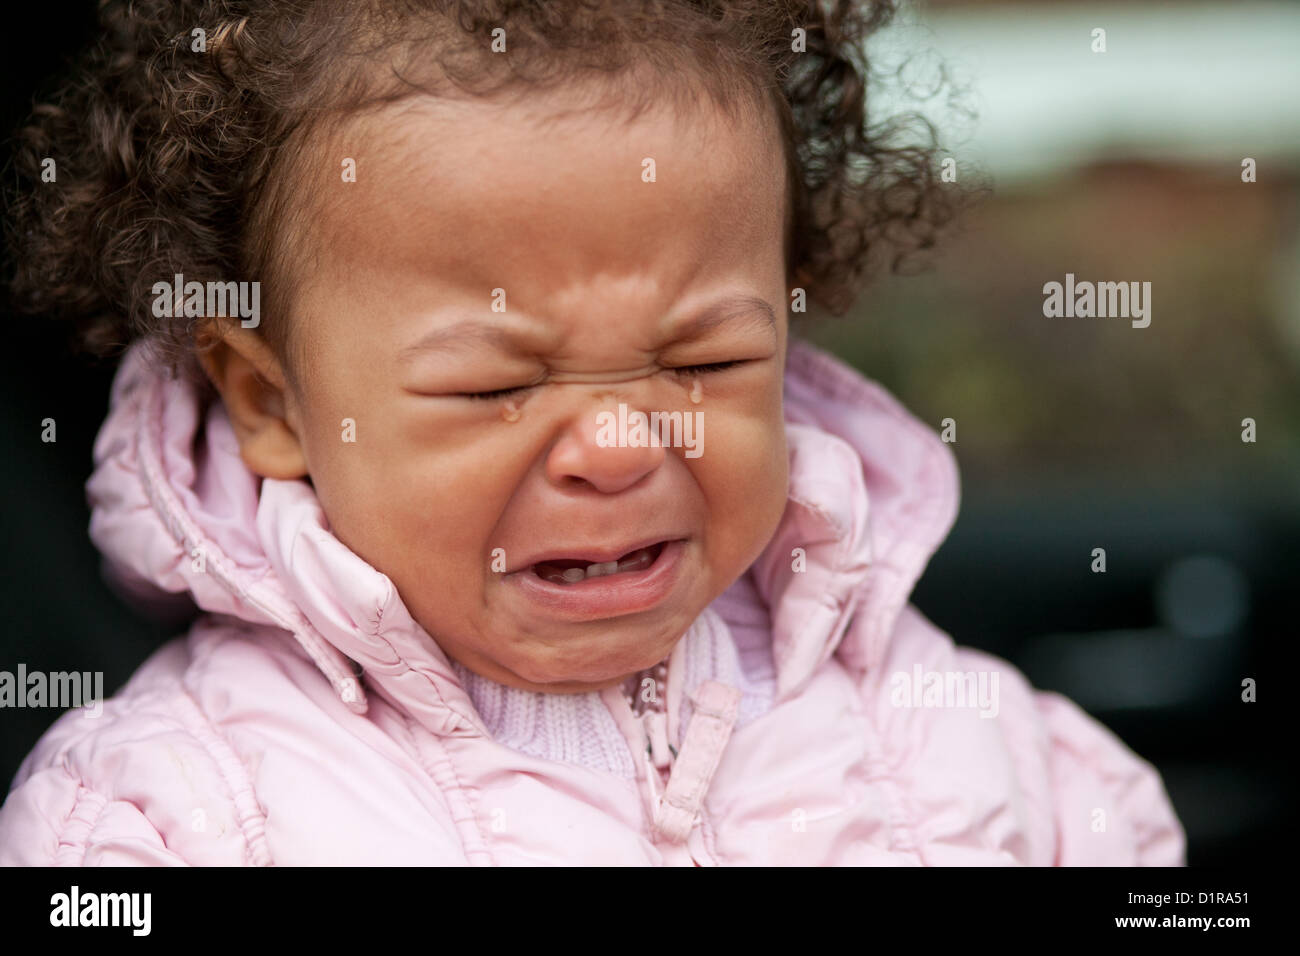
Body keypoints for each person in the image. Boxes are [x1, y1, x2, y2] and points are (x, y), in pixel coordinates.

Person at [0, 0, 1184, 865]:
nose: (617, 444)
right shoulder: (157, 815)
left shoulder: (972, 744)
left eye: (707, 361)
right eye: (492, 386)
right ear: (271, 403)